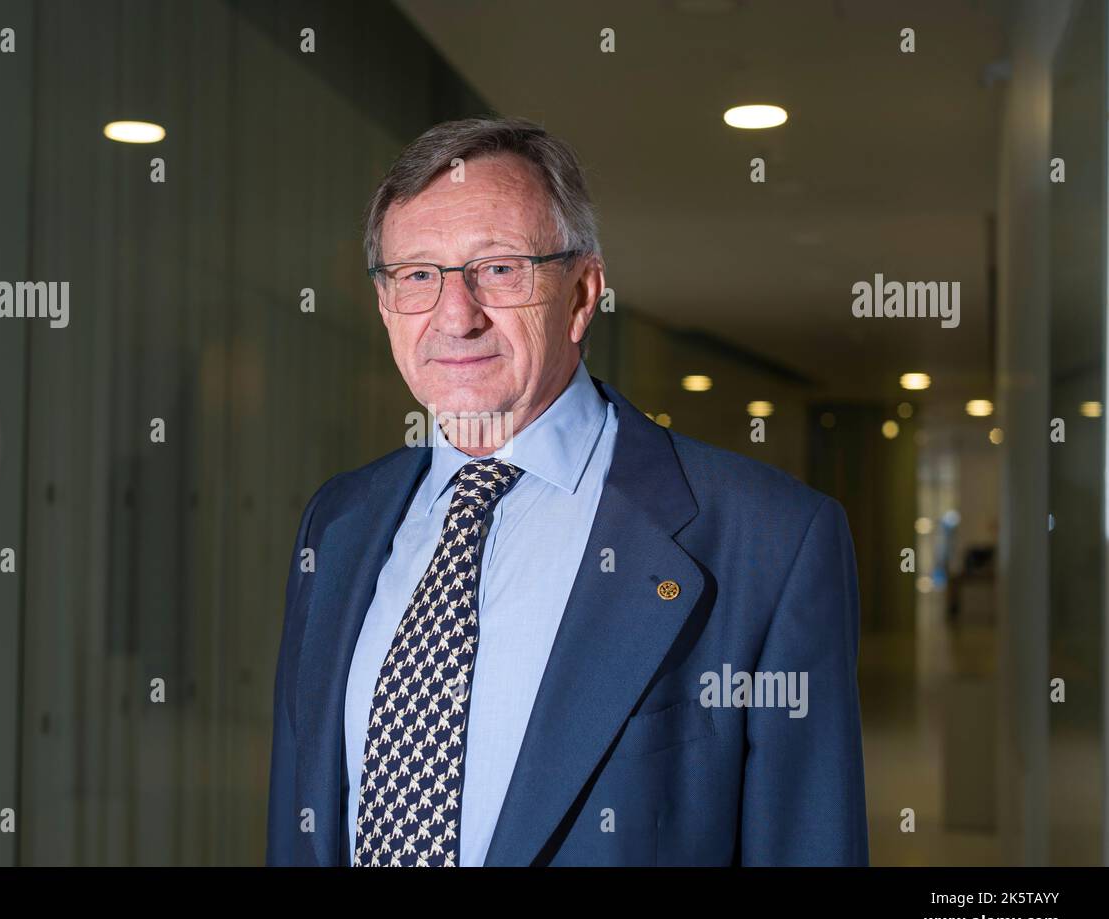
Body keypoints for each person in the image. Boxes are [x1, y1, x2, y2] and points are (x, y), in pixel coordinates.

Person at [266, 116, 868, 866]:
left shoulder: (769, 539)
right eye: (419, 275)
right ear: (387, 304)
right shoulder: (340, 521)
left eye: (499, 268)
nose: (457, 316)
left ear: (583, 294)